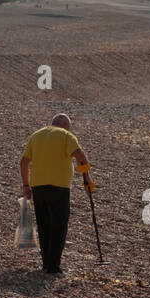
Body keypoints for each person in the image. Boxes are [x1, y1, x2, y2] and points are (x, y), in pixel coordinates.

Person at [20, 112, 91, 275]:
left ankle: (46, 263)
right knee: (58, 226)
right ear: (66, 126)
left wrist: (26, 185)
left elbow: (24, 162)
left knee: (44, 224)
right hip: (59, 186)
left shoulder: (36, 135)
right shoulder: (66, 136)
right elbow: (80, 155)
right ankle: (53, 267)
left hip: (38, 186)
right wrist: (86, 176)